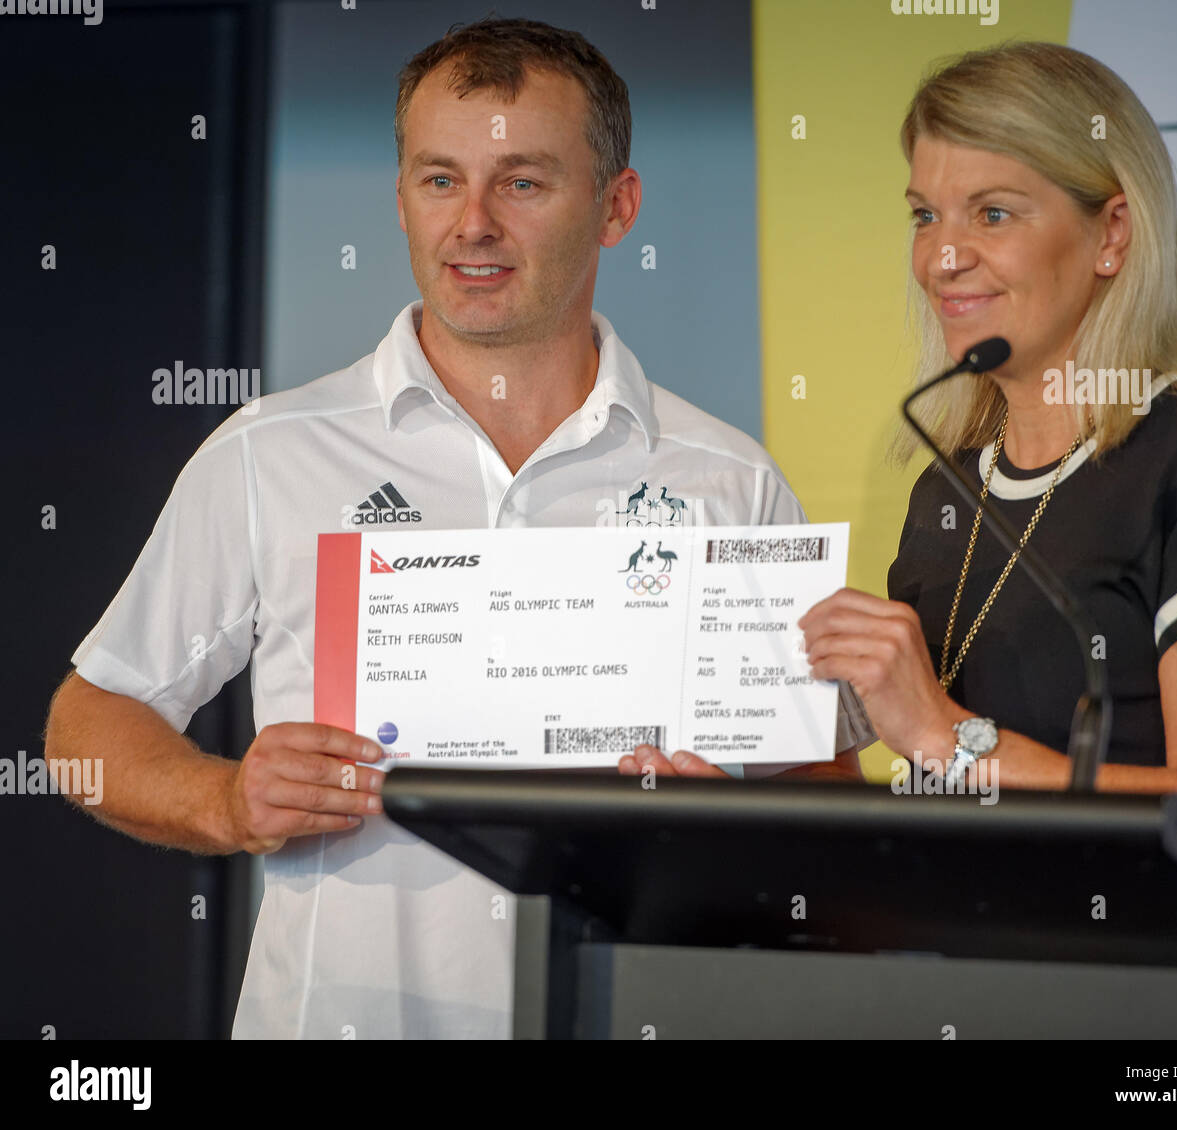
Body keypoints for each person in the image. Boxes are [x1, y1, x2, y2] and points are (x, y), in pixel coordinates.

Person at [41, 17, 872, 1039]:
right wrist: (227, 800)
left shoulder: (726, 478)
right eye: (440, 179)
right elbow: (88, 722)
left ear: (618, 207)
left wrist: (719, 834)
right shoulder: (268, 453)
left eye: (521, 182)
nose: (471, 222)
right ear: (399, 200)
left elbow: (824, 787)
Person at [797, 43, 1177, 851]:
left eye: (992, 213)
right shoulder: (945, 487)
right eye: (926, 215)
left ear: (1112, 233)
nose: (943, 257)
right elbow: (935, 809)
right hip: (945, 967)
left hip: (1135, 972)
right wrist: (757, 788)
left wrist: (944, 734)